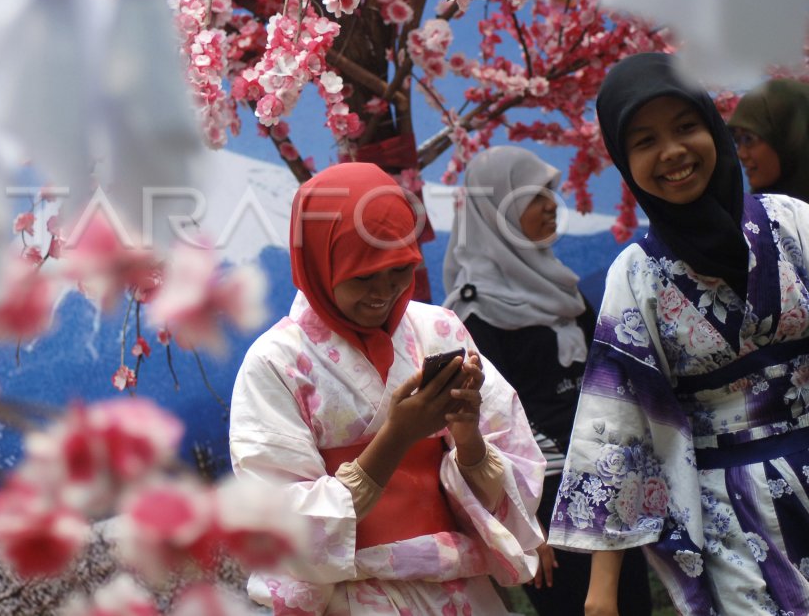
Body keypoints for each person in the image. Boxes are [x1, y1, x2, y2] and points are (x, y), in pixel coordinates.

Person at [548, 53, 809, 615]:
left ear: (713, 126)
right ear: (623, 159)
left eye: (686, 127)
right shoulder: (636, 276)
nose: (671, 152)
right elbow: (616, 427)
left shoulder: (793, 222)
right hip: (733, 521)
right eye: (644, 141)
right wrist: (601, 592)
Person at [229, 162, 546, 615]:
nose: (384, 292)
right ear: (318, 262)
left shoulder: (439, 329)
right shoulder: (275, 363)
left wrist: (468, 435)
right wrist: (397, 436)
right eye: (362, 277)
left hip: (457, 591)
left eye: (399, 270)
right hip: (351, 596)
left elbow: (518, 471)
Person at [442, 146, 653, 616]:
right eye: (534, 196)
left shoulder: (563, 289)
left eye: (551, 193)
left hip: (605, 478)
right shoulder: (473, 312)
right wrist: (525, 526)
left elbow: (606, 383)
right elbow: (489, 425)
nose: (551, 205)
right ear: (497, 211)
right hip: (546, 500)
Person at [727, 77, 809, 203]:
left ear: (791, 137)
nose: (741, 154)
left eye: (748, 139)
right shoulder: (757, 213)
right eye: (737, 140)